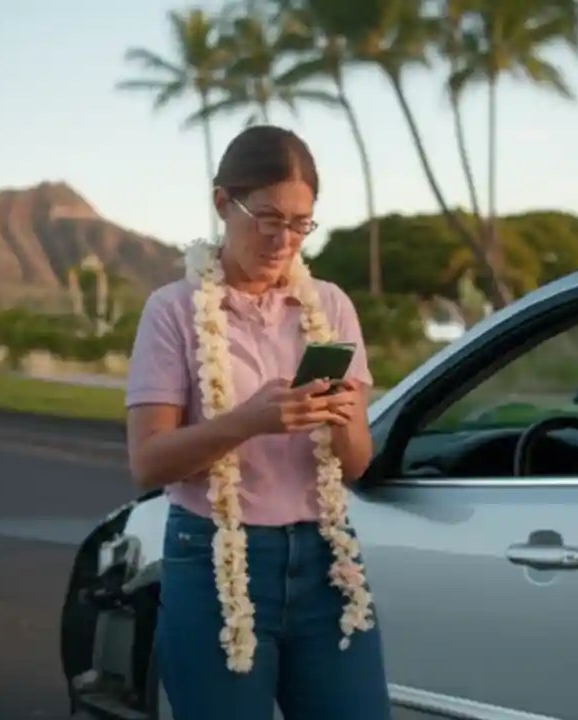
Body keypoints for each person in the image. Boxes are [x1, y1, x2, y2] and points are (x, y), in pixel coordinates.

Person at [124, 125, 391, 720]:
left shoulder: (331, 306)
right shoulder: (173, 310)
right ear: (224, 203)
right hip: (214, 559)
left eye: (300, 223)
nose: (283, 239)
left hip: (327, 559)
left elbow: (355, 464)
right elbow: (147, 462)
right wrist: (248, 421)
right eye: (268, 218)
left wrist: (343, 419)